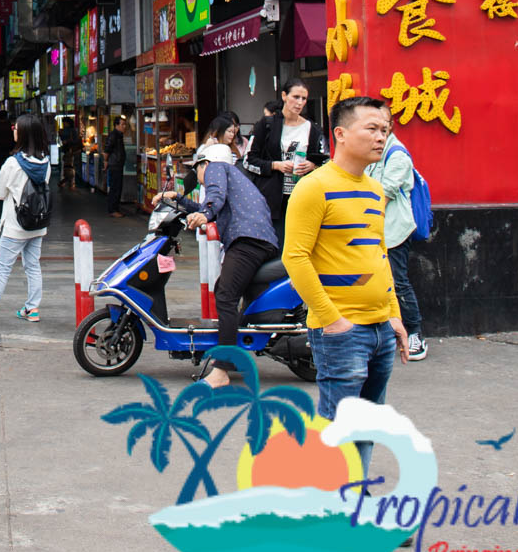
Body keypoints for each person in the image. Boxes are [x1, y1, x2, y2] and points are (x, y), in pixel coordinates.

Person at [283, 96, 406, 471]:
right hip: (342, 331)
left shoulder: (374, 190)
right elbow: (295, 257)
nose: (381, 137)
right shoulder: (314, 187)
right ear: (340, 133)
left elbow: (379, 253)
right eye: (372, 128)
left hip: (380, 328)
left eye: (384, 130)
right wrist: (332, 319)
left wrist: (394, 315)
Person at [174, 141, 278, 389]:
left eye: (197, 169)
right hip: (258, 240)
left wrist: (205, 214)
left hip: (248, 241)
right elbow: (208, 205)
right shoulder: (237, 179)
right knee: (229, 291)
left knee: (225, 296)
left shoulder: (217, 168)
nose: (199, 178)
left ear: (205, 164)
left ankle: (222, 370)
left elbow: (213, 199)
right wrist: (177, 199)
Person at [0, 113, 53, 325]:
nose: (13, 130)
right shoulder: (45, 162)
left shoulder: (12, 163)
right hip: (37, 224)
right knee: (32, 266)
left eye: (16, 128)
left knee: (2, 268)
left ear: (24, 134)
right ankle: (32, 308)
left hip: (16, 225)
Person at [367, 130, 427, 362]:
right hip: (378, 231)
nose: (377, 134)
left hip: (394, 231)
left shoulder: (397, 154)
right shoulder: (374, 153)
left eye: (382, 128)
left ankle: (415, 334)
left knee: (398, 282)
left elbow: (385, 192)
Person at [248, 80, 325, 234]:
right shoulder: (266, 125)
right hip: (271, 199)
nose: (300, 102)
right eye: (295, 97)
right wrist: (276, 165)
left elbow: (324, 162)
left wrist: (312, 165)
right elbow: (249, 161)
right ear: (284, 96)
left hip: (303, 197)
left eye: (304, 98)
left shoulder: (312, 129)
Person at [104, 115, 128, 217]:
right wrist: (105, 161)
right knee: (115, 187)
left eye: (125, 124)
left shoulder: (119, 135)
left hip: (118, 165)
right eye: (122, 124)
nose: (124, 126)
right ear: (116, 125)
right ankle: (113, 210)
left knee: (117, 187)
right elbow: (107, 149)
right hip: (114, 165)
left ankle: (115, 209)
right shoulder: (113, 135)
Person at [59, 116, 81, 192]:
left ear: (68, 123)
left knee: (68, 167)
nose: (64, 124)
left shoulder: (71, 130)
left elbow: (74, 140)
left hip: (70, 151)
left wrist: (66, 141)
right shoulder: (71, 130)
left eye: (64, 123)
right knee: (69, 167)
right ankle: (70, 182)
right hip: (68, 151)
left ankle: (69, 182)